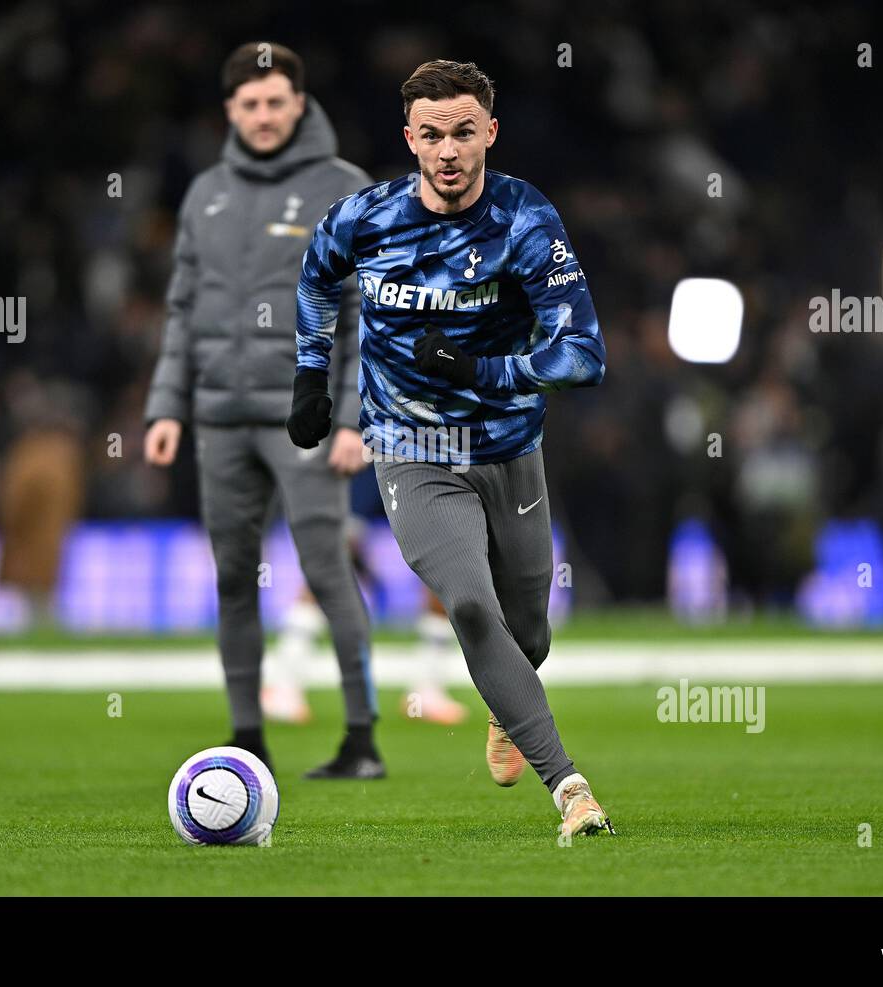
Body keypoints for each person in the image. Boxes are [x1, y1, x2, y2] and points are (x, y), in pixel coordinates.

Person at [287, 59, 613, 836]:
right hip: (411, 449)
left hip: (510, 449)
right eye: (431, 135)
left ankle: (509, 702)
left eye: (464, 132)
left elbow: (585, 356)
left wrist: (480, 368)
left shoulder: (526, 220)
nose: (449, 151)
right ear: (410, 138)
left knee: (527, 633)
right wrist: (309, 375)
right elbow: (315, 274)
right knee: (468, 601)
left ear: (489, 133)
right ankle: (571, 789)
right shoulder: (365, 218)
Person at [144, 42, 382, 779]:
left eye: (277, 101)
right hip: (219, 420)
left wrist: (354, 418)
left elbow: (365, 314)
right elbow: (183, 312)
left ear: (300, 103)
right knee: (232, 577)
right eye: (249, 104)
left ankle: (360, 738)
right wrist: (165, 408)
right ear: (230, 111)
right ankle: (247, 734)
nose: (264, 115)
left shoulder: (345, 188)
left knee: (326, 569)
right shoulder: (205, 193)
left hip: (304, 419)